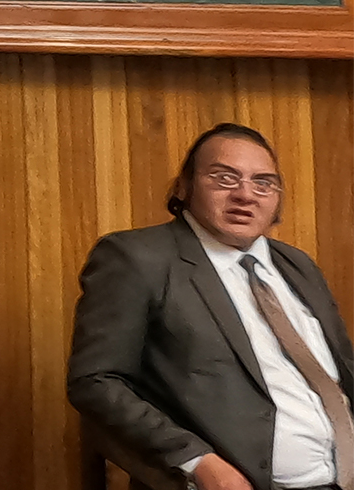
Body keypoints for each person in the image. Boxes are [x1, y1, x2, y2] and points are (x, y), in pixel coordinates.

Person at [68, 123, 354, 490]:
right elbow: (95, 381)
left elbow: (341, 372)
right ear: (184, 186)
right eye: (224, 178)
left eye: (263, 182)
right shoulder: (138, 259)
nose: (246, 195)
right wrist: (197, 462)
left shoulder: (297, 265)